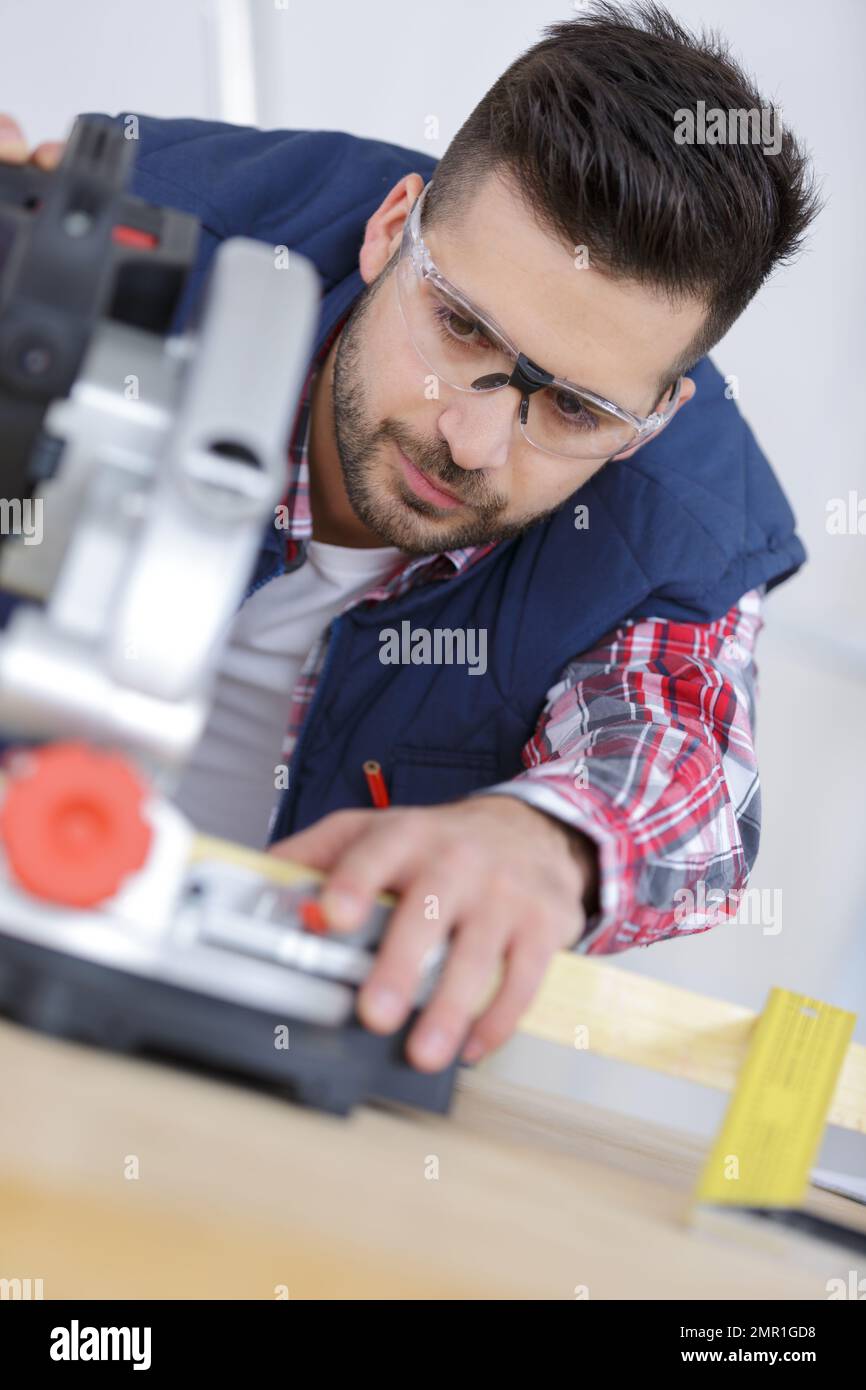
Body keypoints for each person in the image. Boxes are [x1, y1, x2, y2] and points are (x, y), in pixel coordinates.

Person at [0, 2, 819, 1074]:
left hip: (272, 1065)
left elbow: (680, 776)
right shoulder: (121, 235)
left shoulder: (682, 521)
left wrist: (543, 843)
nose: (472, 439)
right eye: (461, 327)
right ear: (395, 226)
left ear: (653, 417)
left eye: (571, 408)